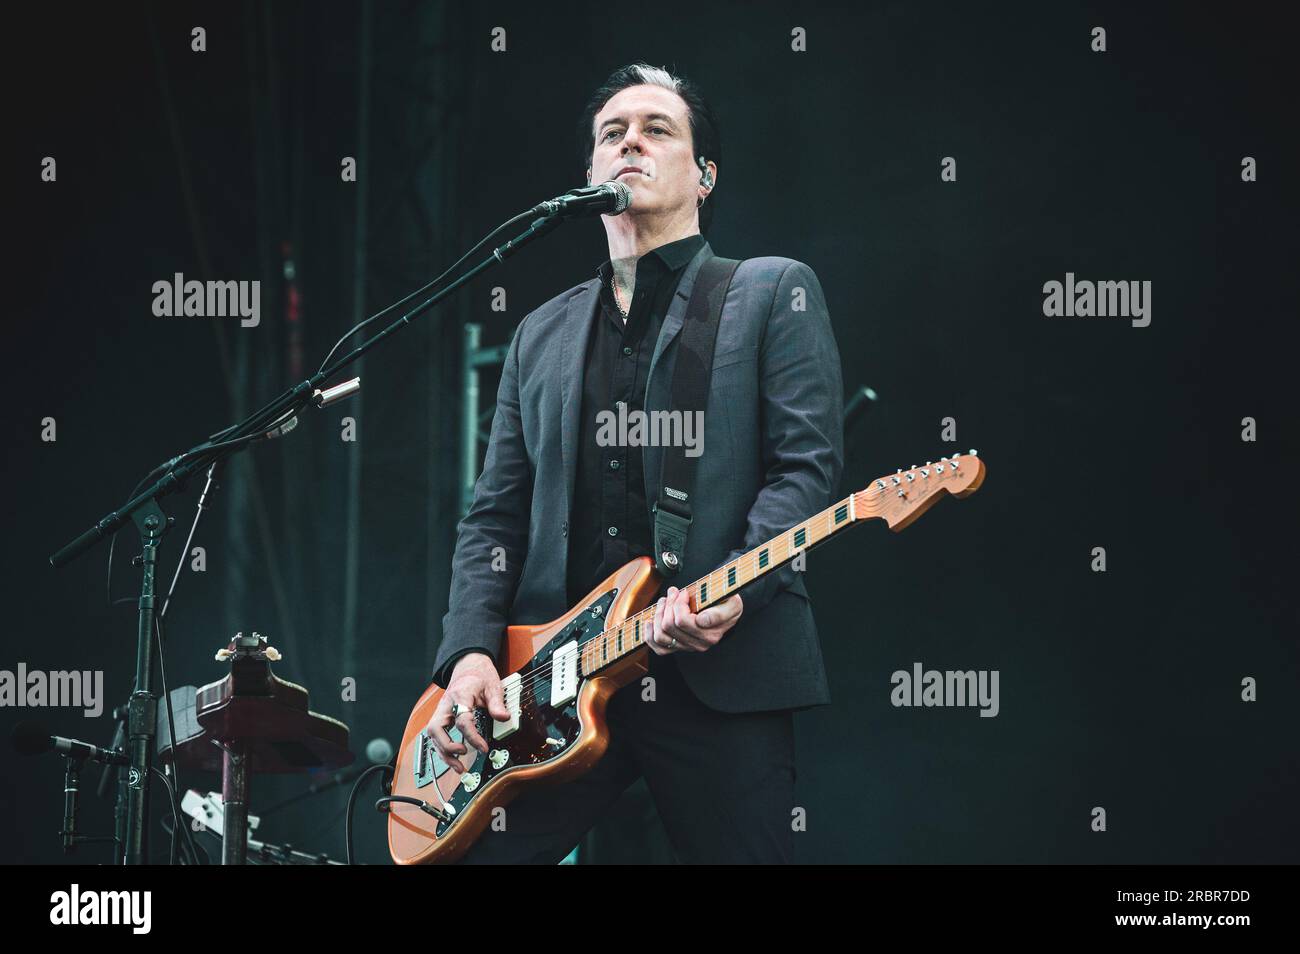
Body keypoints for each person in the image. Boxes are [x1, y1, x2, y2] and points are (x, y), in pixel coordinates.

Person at [427, 62, 844, 863]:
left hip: (717, 675)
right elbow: (494, 517)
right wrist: (470, 652)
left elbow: (806, 471)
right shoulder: (539, 334)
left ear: (705, 175)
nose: (631, 143)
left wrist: (735, 590)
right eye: (611, 134)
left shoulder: (770, 293)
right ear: (590, 172)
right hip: (555, 684)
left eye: (657, 130)